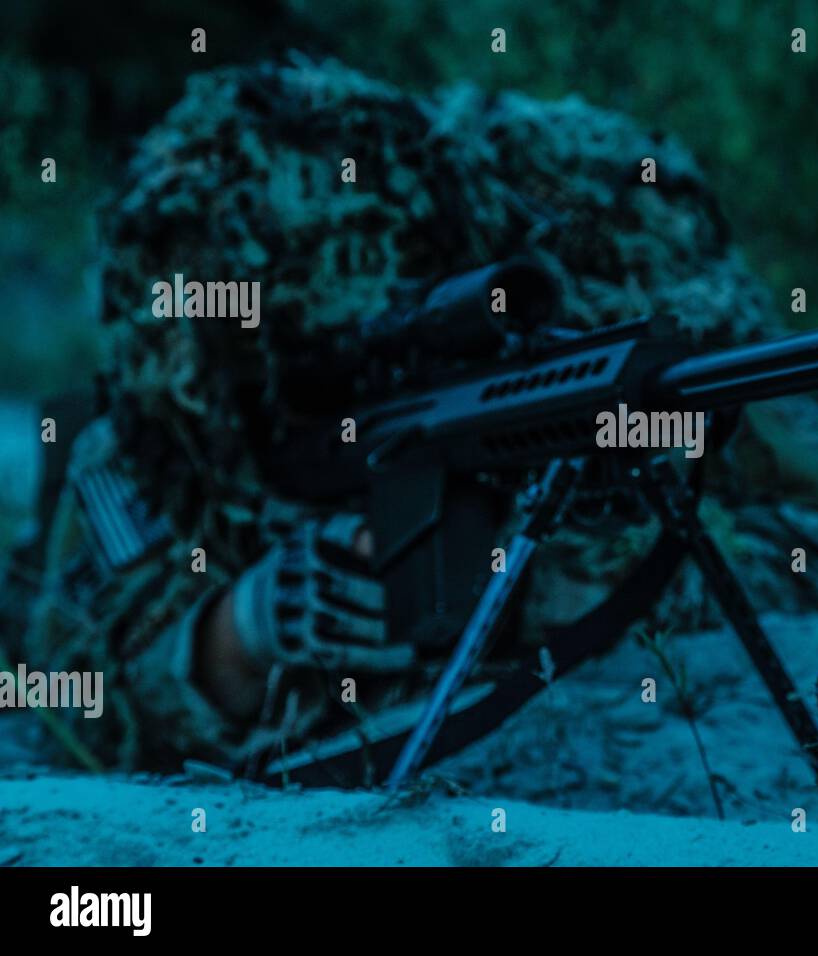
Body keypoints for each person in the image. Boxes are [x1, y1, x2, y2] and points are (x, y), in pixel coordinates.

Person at [0, 55, 777, 774]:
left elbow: (734, 567)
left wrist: (513, 579)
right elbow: (70, 684)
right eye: (315, 367)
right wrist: (243, 630)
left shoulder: (483, 292)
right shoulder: (157, 438)